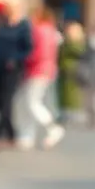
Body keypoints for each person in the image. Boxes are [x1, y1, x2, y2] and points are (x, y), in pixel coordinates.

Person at [0, 0, 31, 150]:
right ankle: (11, 134)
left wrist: (15, 59)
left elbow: (27, 48)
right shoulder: (3, 25)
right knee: (2, 102)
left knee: (7, 101)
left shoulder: (23, 27)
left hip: (13, 70)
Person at [19, 9, 64, 149]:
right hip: (46, 70)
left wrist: (26, 60)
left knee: (32, 103)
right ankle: (27, 136)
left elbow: (38, 53)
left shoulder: (40, 30)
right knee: (30, 103)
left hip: (37, 70)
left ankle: (52, 127)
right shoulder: (51, 31)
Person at [57, 22, 87, 124]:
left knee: (72, 93)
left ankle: (72, 113)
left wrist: (69, 43)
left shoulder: (77, 43)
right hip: (63, 70)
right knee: (63, 92)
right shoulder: (65, 42)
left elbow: (80, 53)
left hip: (73, 70)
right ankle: (64, 111)